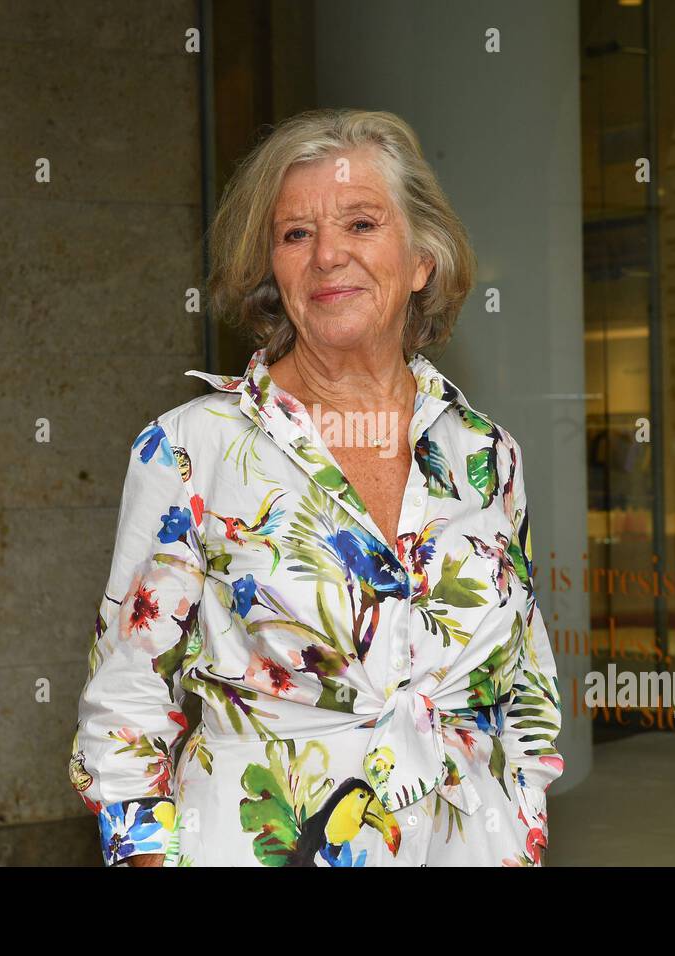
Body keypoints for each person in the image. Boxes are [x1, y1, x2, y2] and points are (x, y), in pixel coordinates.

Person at [69, 108, 564, 867]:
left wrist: (523, 823)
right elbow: (126, 706)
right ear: (273, 269)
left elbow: (526, 682)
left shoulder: (486, 455)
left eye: (361, 223)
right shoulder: (191, 449)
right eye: (296, 234)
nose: (328, 254)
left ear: (422, 259)